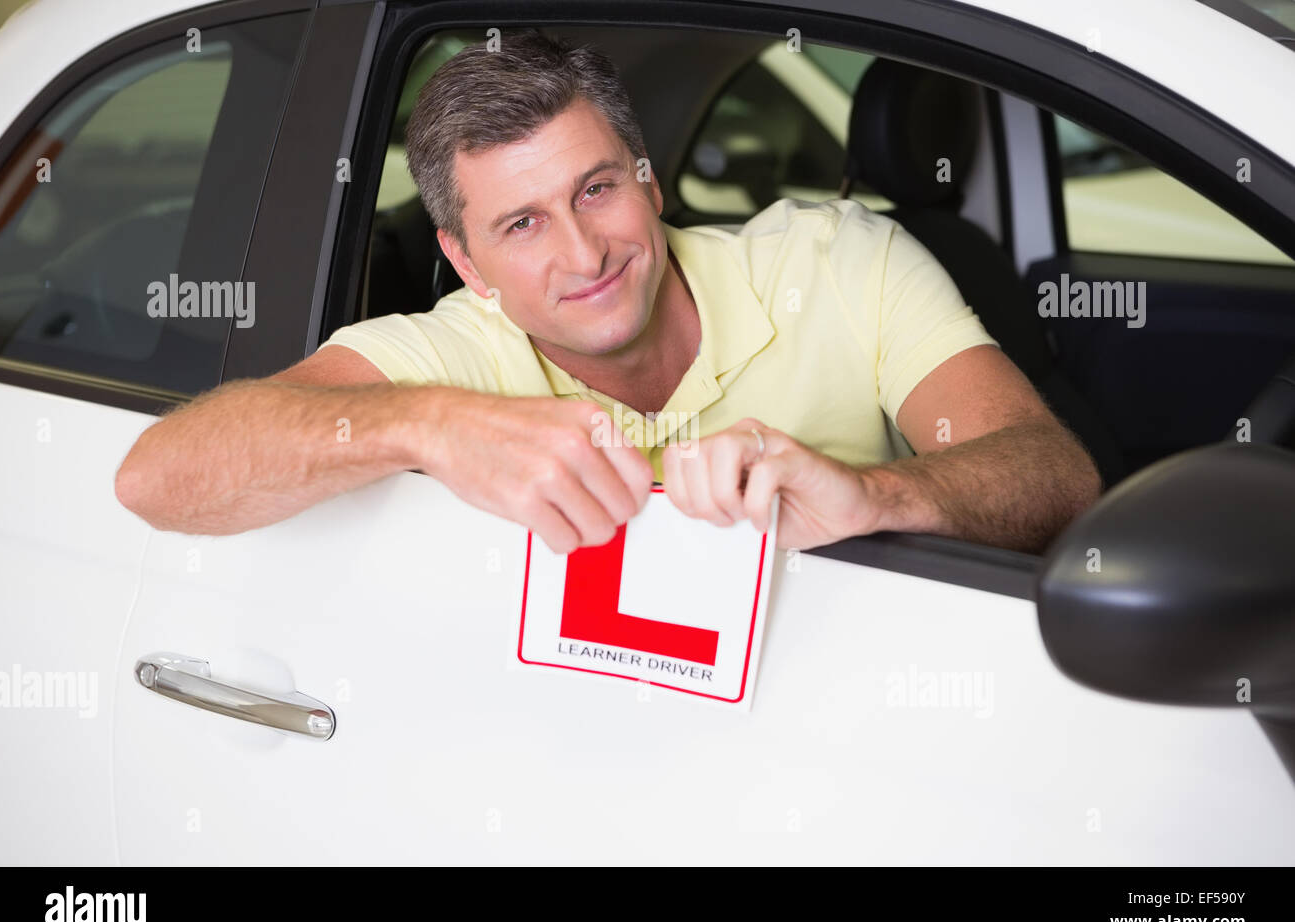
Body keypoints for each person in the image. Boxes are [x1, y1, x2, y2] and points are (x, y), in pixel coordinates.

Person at [115, 30, 1100, 555]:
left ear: (649, 180)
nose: (584, 252)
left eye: (596, 189)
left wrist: (875, 494)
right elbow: (158, 475)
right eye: (522, 223)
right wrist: (428, 425)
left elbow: (1053, 477)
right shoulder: (449, 351)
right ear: (465, 261)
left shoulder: (840, 262)